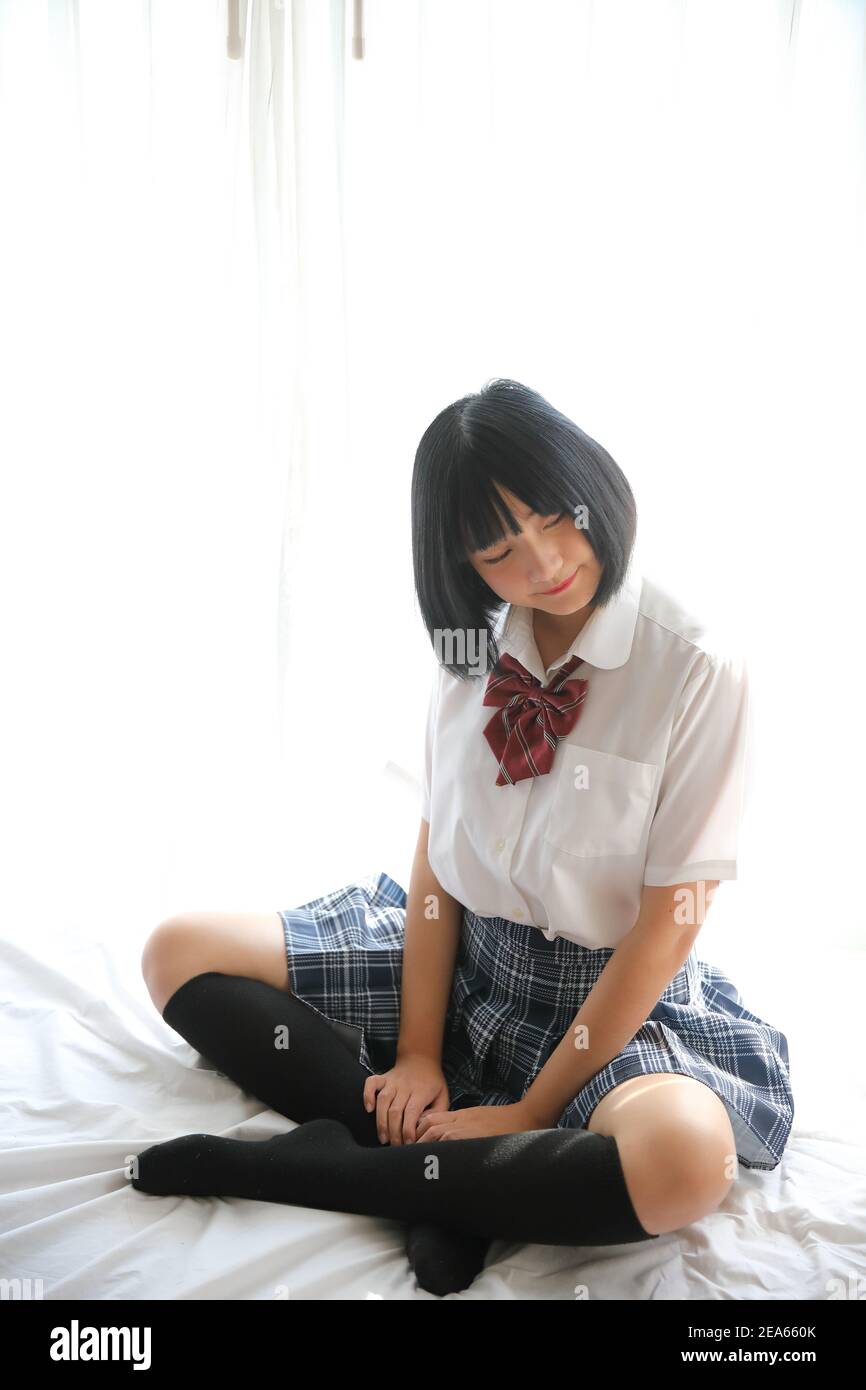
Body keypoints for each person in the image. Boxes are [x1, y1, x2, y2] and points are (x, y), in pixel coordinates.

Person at [133, 378, 794, 1297]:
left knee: (686, 1161)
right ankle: (450, 1179)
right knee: (179, 953)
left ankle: (319, 1170)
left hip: (598, 995)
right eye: (499, 549)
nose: (549, 561)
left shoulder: (696, 664)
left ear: (590, 484)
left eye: (556, 516)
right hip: (463, 956)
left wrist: (530, 1108)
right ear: (461, 562)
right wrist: (416, 1053)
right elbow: (439, 851)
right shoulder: (467, 641)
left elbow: (666, 927)